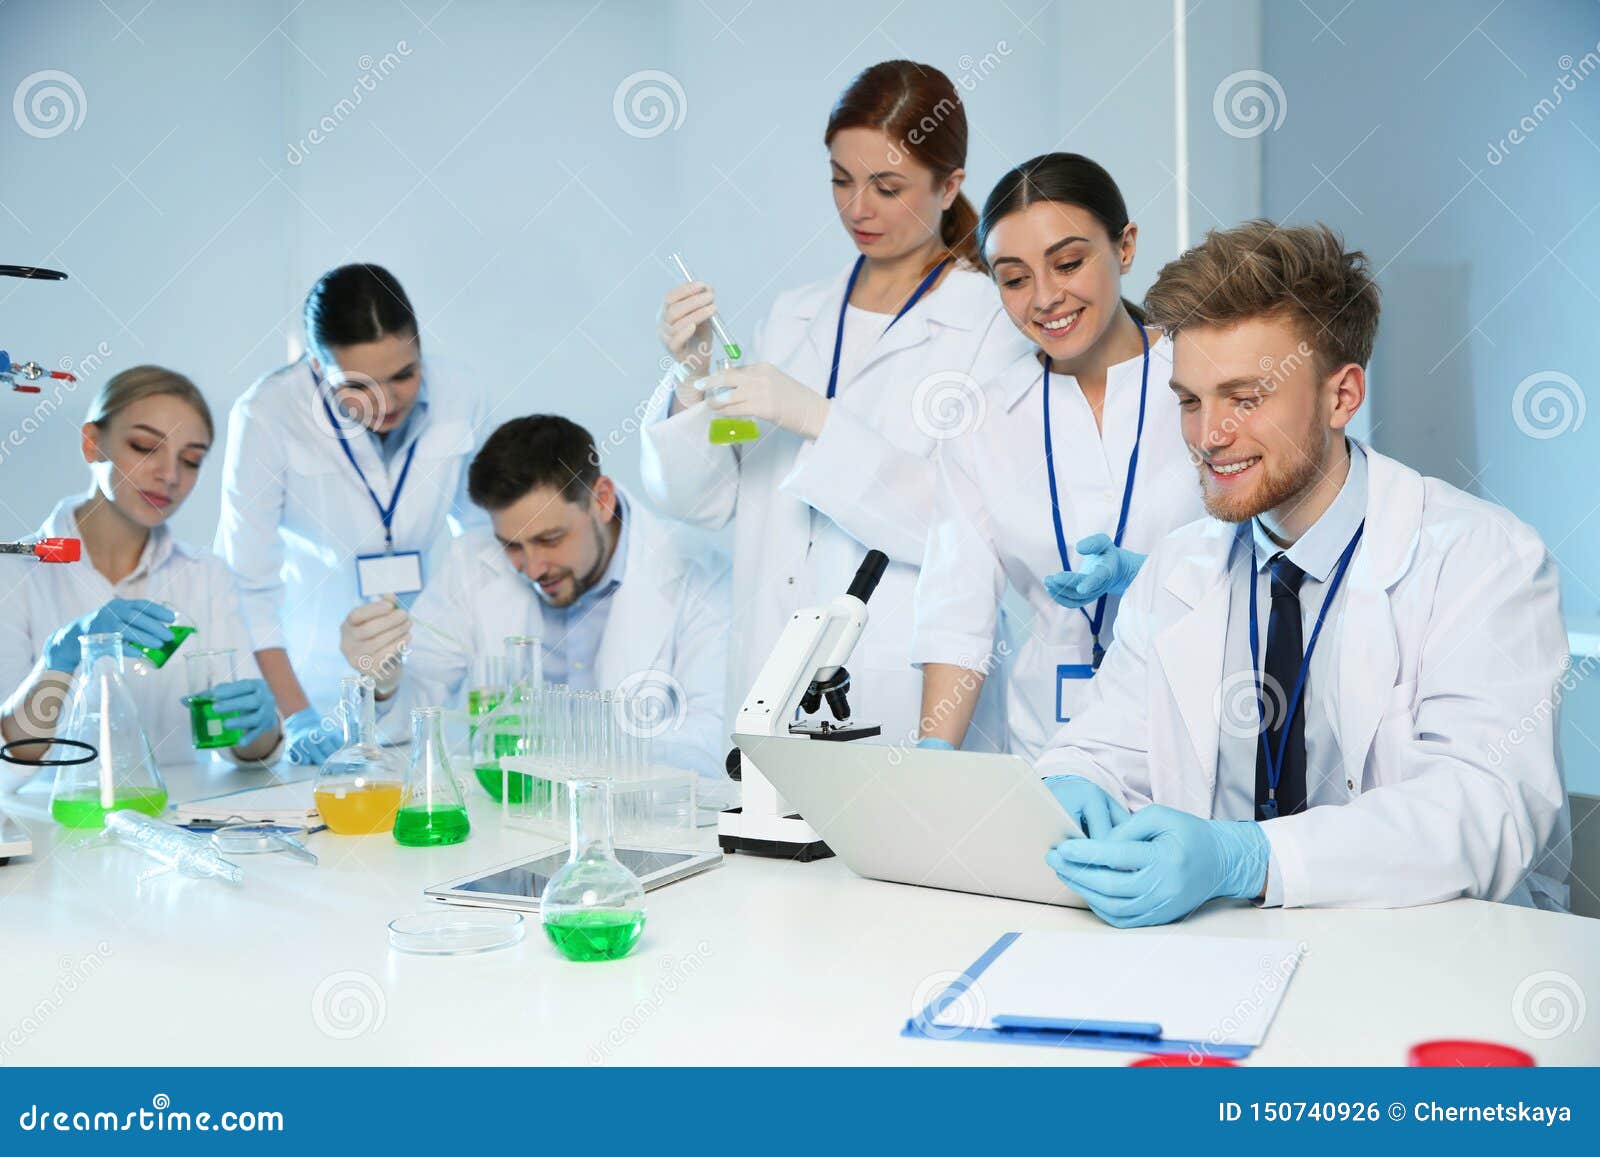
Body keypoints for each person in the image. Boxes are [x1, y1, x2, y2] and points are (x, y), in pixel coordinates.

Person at [1033, 221, 1570, 925]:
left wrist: (1250, 856)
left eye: (1244, 398)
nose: (1208, 436)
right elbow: (1102, 747)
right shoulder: (1178, 567)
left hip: (1422, 960)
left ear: (1341, 396)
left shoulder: (1482, 559)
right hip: (1218, 959)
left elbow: (1487, 810)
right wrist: (1068, 781)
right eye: (1190, 400)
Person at [641, 60, 1030, 748]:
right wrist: (694, 374)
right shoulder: (796, 317)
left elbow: (969, 531)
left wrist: (818, 419)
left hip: (897, 681)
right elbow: (706, 501)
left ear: (950, 186)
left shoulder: (991, 324)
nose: (858, 209)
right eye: (841, 181)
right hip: (769, 667)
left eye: (886, 187)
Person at [912, 154, 1204, 759]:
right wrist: (931, 757)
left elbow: (1277, 565)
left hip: (1203, 733)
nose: (1045, 298)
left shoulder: (1207, 382)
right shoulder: (984, 421)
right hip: (1050, 744)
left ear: (1124, 247)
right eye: (1014, 279)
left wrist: (1152, 576)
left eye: (1068, 264)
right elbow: (957, 610)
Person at [339, 415, 732, 796]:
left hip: (636, 821)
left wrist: (582, 770)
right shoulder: (470, 563)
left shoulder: (697, 573)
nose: (532, 567)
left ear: (602, 500)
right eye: (511, 545)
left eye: (550, 539)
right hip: (508, 815)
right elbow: (415, 708)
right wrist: (384, 684)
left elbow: (711, 742)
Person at [214, 264, 485, 765]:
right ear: (317, 367)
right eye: (359, 386)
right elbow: (246, 585)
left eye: (405, 374)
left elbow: (480, 538)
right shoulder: (268, 413)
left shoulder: (460, 392)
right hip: (311, 685)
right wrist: (296, 718)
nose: (387, 400)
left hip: (423, 686)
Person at [2, 366, 280, 789]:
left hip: (180, 824)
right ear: (92, 443)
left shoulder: (205, 576)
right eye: (146, 447)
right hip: (55, 829)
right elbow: (14, 750)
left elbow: (244, 751)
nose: (169, 475)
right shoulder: (15, 570)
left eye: (190, 460)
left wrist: (260, 726)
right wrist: (58, 660)